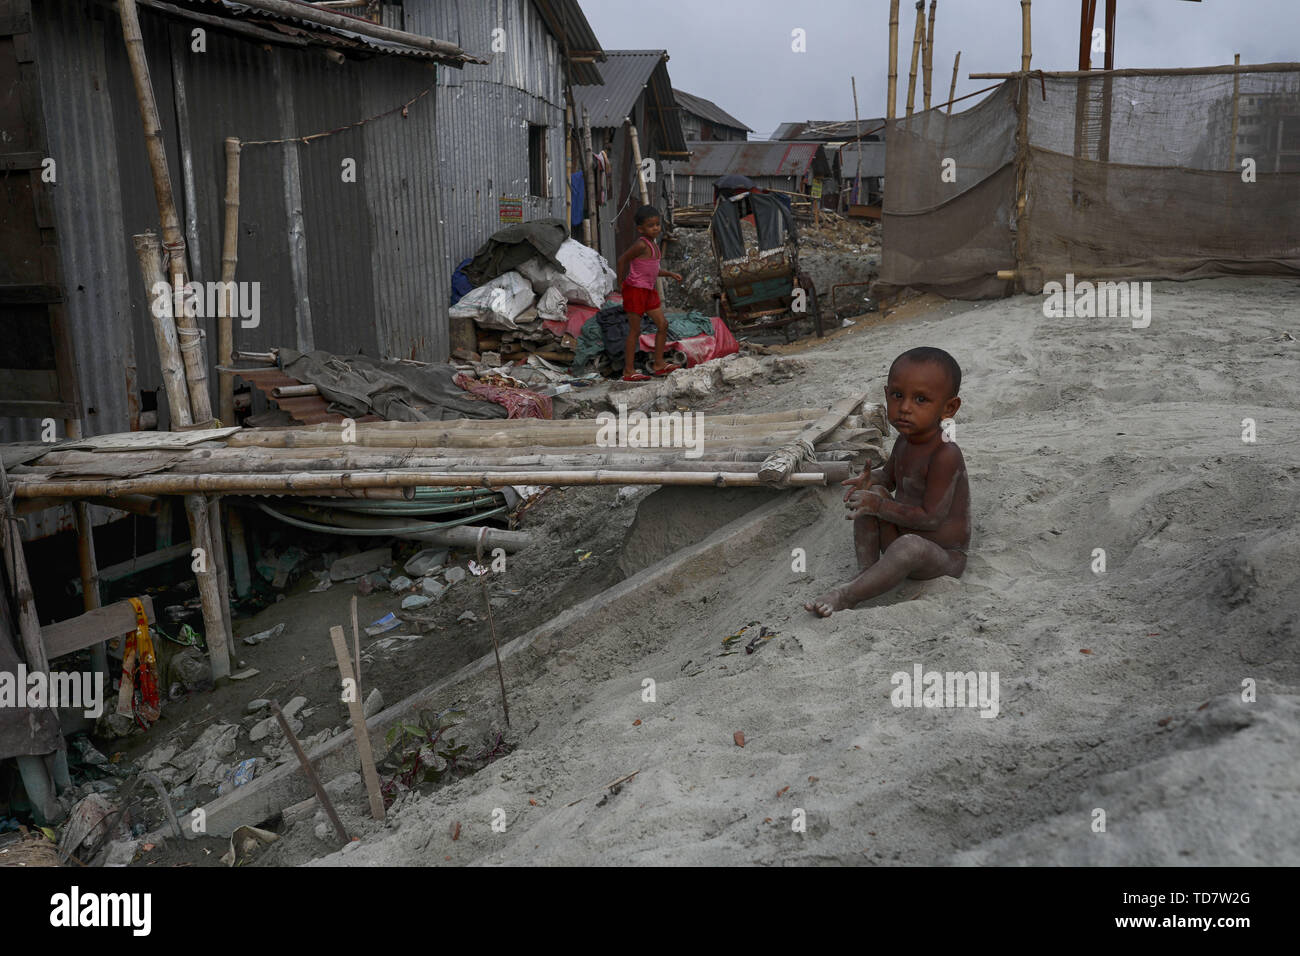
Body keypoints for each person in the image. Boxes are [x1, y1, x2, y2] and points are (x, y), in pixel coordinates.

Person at [805, 347, 971, 617]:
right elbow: (891, 479)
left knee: (902, 537)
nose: (905, 408)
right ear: (885, 396)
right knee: (872, 494)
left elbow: (931, 519)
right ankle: (867, 573)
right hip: (904, 536)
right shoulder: (905, 441)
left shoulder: (945, 453)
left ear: (949, 408)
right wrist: (872, 480)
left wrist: (879, 506)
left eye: (920, 399)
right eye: (897, 396)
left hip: (941, 555)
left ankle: (848, 595)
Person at [615, 205, 682, 382]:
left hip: (649, 290)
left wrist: (670, 274)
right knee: (635, 331)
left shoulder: (654, 245)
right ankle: (628, 371)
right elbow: (622, 260)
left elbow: (651, 270)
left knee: (663, 324)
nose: (656, 228)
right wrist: (621, 283)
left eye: (657, 225)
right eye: (651, 225)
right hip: (635, 290)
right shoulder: (640, 245)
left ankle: (658, 364)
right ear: (640, 229)